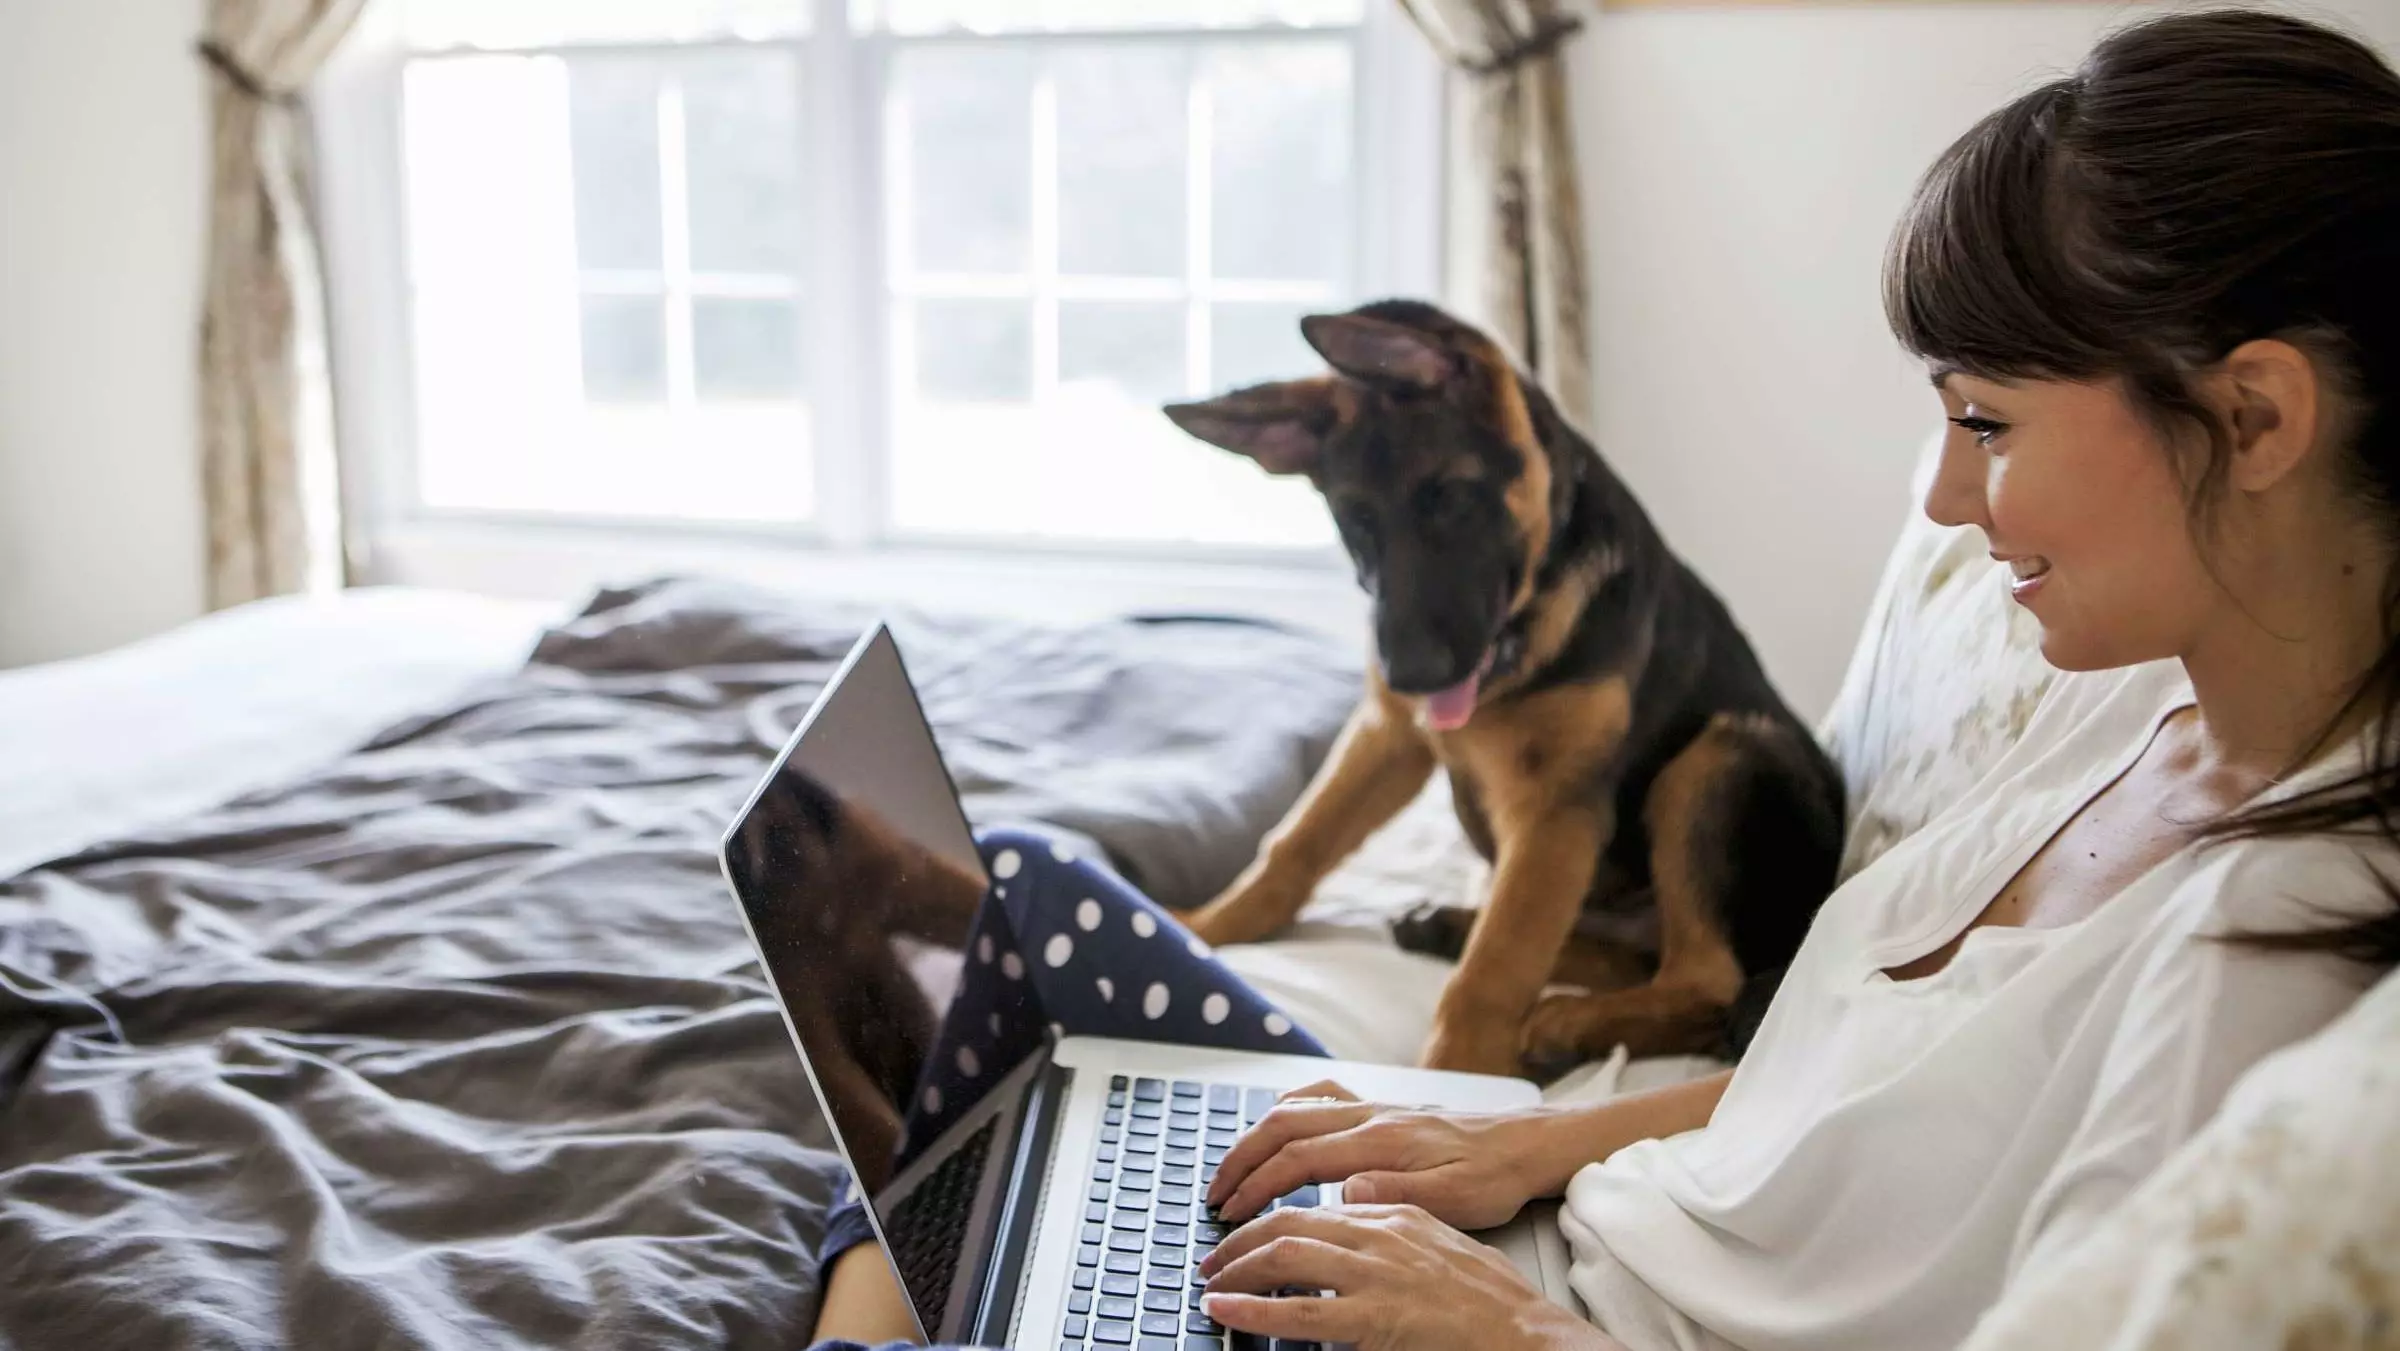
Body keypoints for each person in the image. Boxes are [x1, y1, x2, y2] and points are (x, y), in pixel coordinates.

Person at [810, 10, 2400, 1348]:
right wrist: (1513, 1144)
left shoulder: (2259, 967)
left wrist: (1522, 1326)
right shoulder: (2141, 704)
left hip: (1551, 1325)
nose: (1940, 500)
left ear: (2254, 420)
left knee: (988, 1135)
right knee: (1005, 939)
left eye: (1985, 422)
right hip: (1538, 1230)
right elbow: (1821, 1095)